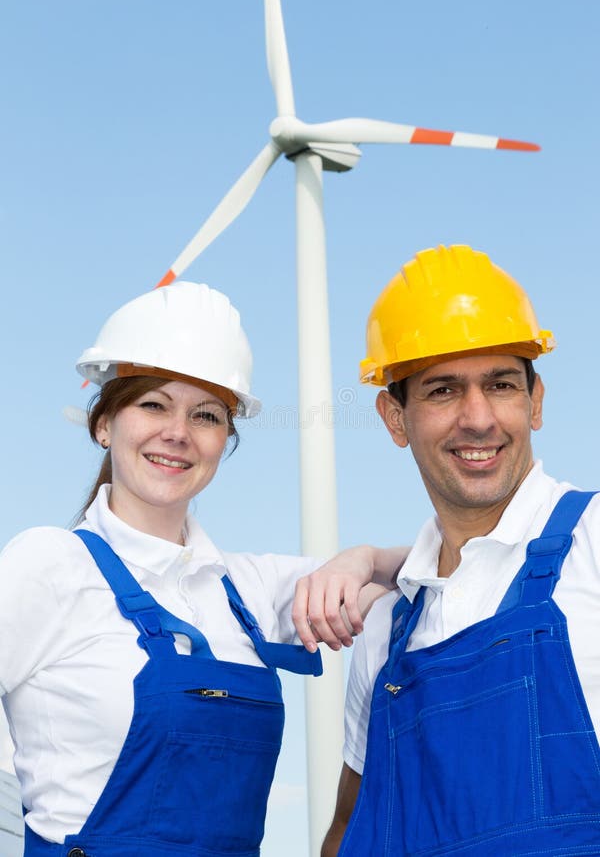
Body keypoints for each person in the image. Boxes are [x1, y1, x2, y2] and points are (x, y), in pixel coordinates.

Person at [0, 281, 404, 857]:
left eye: (206, 415)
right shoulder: (47, 566)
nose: (178, 433)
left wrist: (362, 558)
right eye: (153, 404)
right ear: (103, 424)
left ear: (224, 442)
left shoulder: (247, 590)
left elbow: (437, 573)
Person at [322, 243, 600, 855]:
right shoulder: (383, 635)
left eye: (500, 384)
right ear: (395, 418)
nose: (478, 418)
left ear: (536, 400)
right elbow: (346, 832)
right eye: (443, 390)